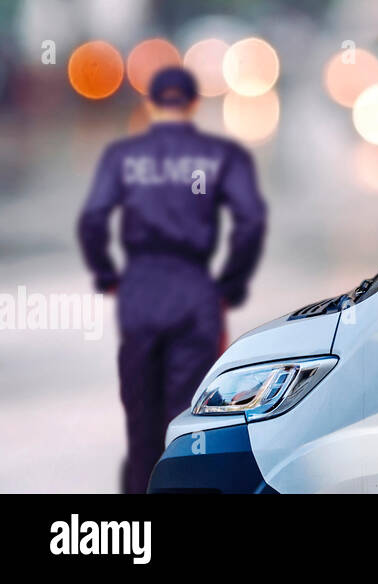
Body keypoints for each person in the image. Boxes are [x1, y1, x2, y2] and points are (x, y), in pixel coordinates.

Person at [77, 66, 267, 493]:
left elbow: (92, 221)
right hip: (194, 289)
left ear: (151, 103)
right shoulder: (221, 155)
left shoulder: (122, 157)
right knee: (185, 424)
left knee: (141, 422)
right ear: (194, 103)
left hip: (140, 290)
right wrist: (229, 285)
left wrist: (108, 275)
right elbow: (250, 222)